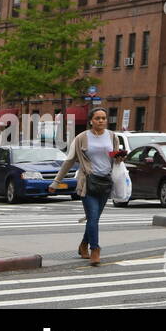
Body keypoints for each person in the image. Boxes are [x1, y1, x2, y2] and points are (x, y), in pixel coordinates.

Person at [50, 108, 126, 266]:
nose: (101, 121)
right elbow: (69, 160)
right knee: (92, 217)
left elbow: (116, 159)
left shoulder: (112, 137)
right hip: (88, 183)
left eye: (104, 118)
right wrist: (56, 181)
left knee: (94, 218)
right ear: (91, 120)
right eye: (98, 118)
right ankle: (95, 249)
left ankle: (83, 245)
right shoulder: (82, 138)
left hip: (105, 182)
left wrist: (118, 158)